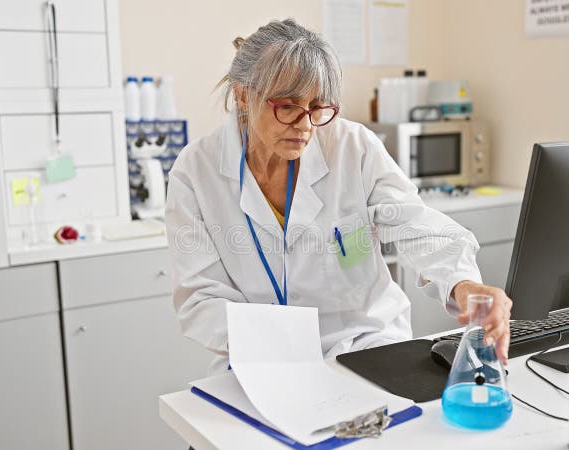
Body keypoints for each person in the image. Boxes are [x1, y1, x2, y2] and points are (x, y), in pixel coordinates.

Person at [165, 19, 512, 374]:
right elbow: (199, 297)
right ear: (242, 94)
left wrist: (463, 284)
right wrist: (278, 342)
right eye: (287, 106)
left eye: (317, 107)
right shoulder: (196, 172)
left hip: (364, 344)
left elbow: (415, 226)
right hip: (260, 358)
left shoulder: (352, 147)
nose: (305, 126)